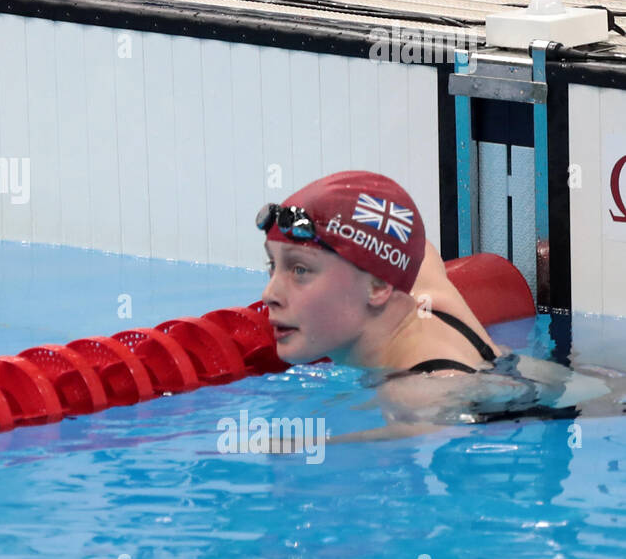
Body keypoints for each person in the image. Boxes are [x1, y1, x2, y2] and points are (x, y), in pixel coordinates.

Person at [256, 170, 616, 438]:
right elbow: (412, 244)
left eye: (300, 270)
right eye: (274, 265)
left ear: (380, 286)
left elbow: (408, 436)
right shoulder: (430, 296)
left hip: (599, 414)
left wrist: (299, 444)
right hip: (579, 382)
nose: (269, 293)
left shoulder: (414, 391)